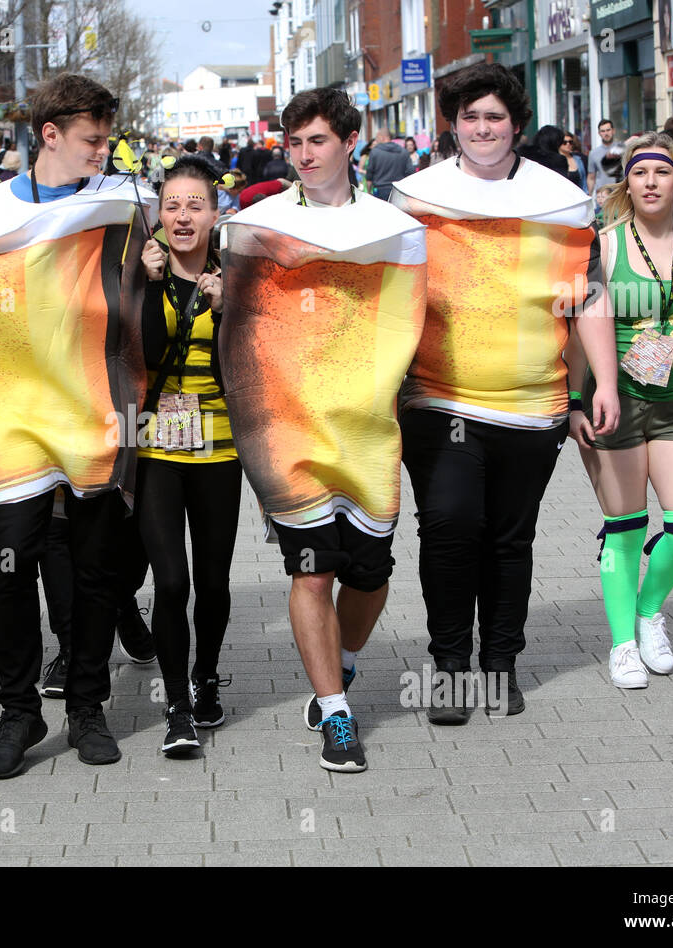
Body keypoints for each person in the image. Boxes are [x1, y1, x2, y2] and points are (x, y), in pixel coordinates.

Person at [0, 73, 153, 779]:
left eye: (108, 138)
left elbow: (165, 281)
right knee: (12, 564)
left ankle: (87, 707)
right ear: (49, 134)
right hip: (13, 424)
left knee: (95, 572)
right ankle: (20, 712)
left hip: (94, 415)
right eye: (93, 139)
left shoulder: (123, 204)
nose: (104, 151)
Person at [390, 62, 615, 722]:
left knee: (511, 540)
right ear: (452, 125)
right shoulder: (412, 198)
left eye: (493, 117)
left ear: (515, 124)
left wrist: (600, 382)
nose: (481, 128)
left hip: (534, 403)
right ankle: (451, 667)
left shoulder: (562, 200)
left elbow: (590, 295)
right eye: (469, 117)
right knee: (452, 527)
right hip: (438, 397)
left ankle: (501, 665)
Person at [222, 88, 428, 772]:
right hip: (289, 432)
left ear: (349, 142)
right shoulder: (257, 226)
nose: (304, 154)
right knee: (313, 573)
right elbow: (242, 337)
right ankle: (336, 713)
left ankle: (340, 662)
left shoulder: (393, 226)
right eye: (295, 142)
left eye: (316, 141)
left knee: (369, 574)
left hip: (369, 431)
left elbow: (408, 322)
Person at [566, 131, 673, 689]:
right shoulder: (607, 245)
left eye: (661, 173)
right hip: (617, 403)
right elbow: (576, 332)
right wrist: (573, 402)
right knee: (626, 527)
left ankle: (647, 611)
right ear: (627, 184)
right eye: (639, 174)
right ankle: (622, 645)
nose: (650, 183)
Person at [130, 157, 240, 755]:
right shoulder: (143, 275)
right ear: (158, 215)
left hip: (222, 449)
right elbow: (144, 352)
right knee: (171, 581)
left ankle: (207, 675)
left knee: (214, 579)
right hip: (157, 448)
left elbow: (245, 368)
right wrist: (150, 287)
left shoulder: (233, 280)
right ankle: (176, 706)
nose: (182, 216)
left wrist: (227, 310)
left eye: (195, 205)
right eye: (172, 205)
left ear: (215, 214)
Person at [364, 127, 415, 199]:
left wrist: (368, 191)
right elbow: (410, 172)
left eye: (377, 137)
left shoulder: (375, 152)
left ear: (382, 137)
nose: (376, 140)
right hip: (399, 191)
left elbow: (369, 174)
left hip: (380, 190)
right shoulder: (404, 152)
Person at [587, 118, 622, 197]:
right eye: (603, 131)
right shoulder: (593, 153)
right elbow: (591, 177)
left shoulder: (621, 148)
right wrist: (589, 195)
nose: (606, 133)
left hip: (619, 195)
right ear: (599, 133)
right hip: (602, 197)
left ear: (613, 131)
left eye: (608, 130)